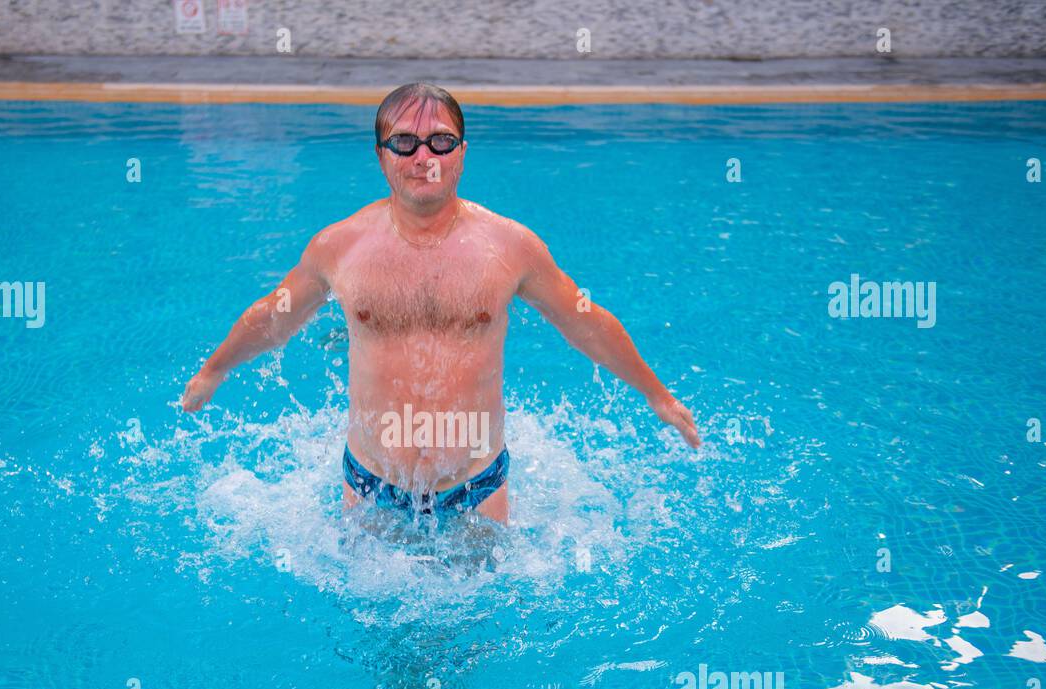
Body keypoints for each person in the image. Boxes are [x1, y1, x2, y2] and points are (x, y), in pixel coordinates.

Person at [182, 82, 700, 524]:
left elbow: (582, 320)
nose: (423, 157)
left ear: (463, 151)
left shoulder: (509, 247)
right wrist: (213, 371)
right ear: (381, 154)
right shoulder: (339, 247)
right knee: (369, 633)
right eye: (404, 142)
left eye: (440, 141)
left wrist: (655, 394)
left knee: (480, 637)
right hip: (371, 487)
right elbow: (275, 316)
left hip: (476, 487)